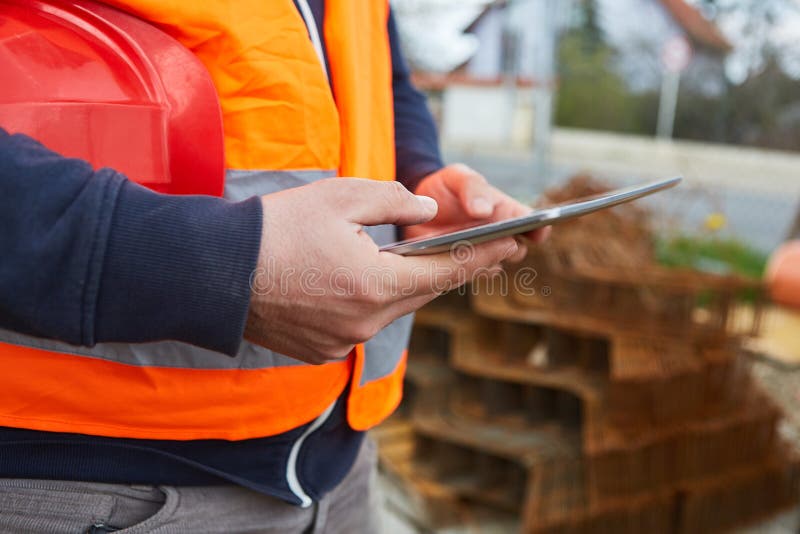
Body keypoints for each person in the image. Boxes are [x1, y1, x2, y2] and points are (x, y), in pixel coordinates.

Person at [0, 1, 548, 532]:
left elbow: (377, 69)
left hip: (342, 470)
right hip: (74, 483)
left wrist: (418, 179)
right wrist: (224, 268)